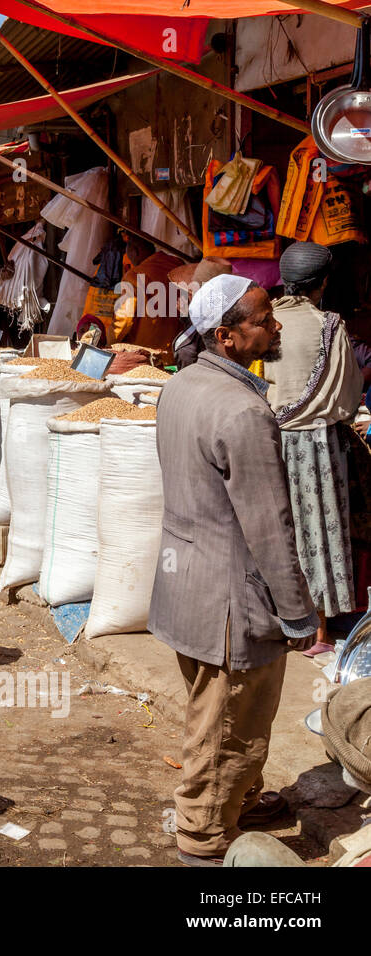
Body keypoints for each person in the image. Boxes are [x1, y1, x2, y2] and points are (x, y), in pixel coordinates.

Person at [149, 274, 318, 866]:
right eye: (263, 319)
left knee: (217, 712)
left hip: (185, 586)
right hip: (229, 602)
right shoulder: (244, 411)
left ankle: (241, 799)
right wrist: (298, 614)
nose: (275, 327)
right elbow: (270, 528)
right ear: (226, 336)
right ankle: (202, 837)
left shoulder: (183, 385)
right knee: (228, 728)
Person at [263, 242, 364, 656]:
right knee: (320, 530)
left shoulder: (264, 321)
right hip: (319, 447)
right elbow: (348, 392)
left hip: (269, 439)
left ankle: (278, 622)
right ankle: (320, 634)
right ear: (323, 282)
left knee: (278, 530)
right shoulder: (329, 325)